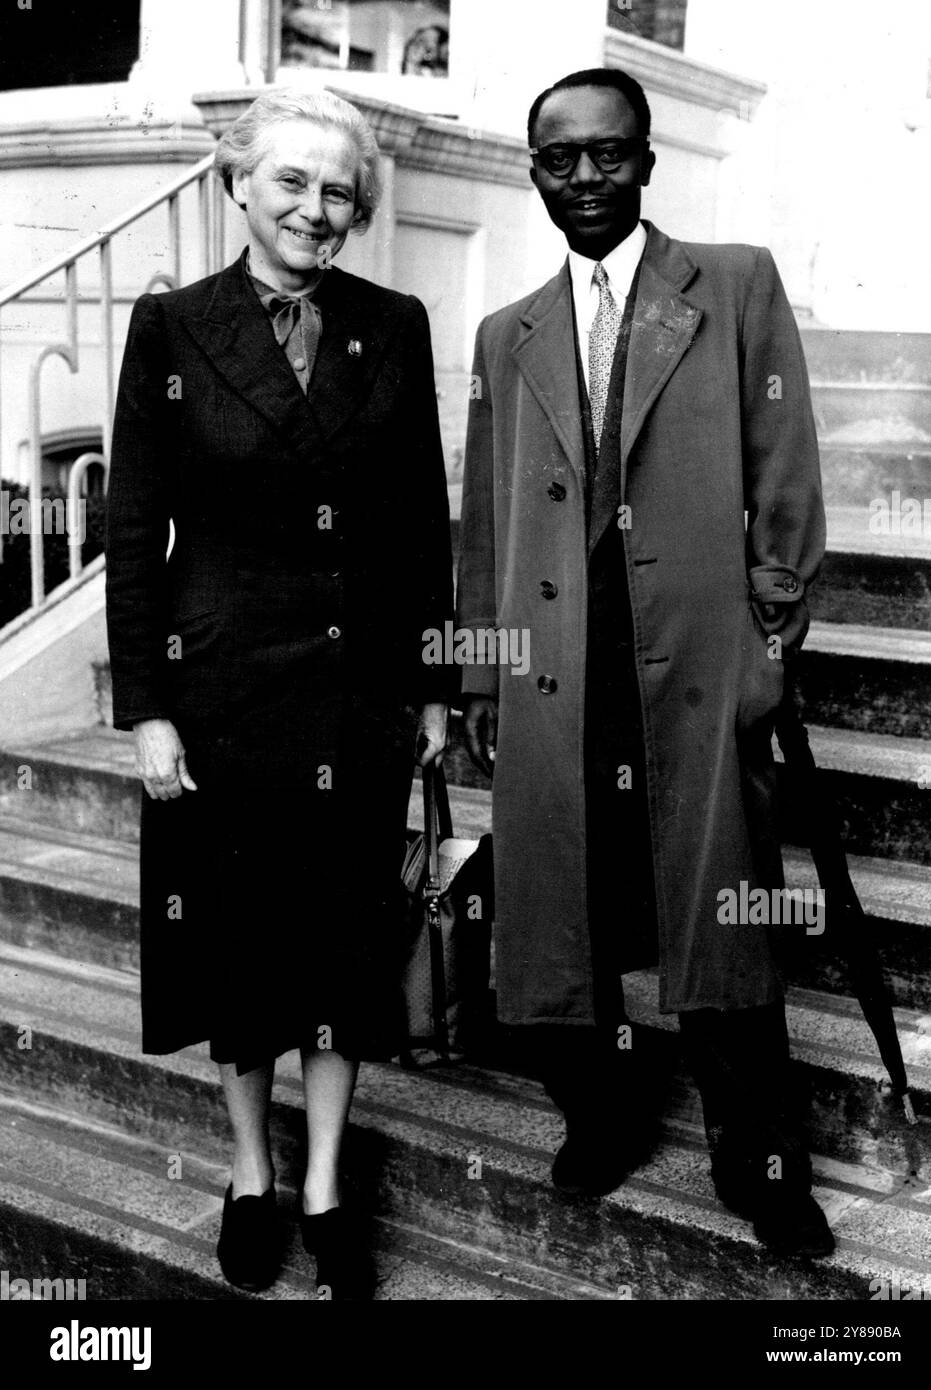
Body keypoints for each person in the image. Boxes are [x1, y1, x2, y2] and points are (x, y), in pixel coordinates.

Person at [455, 68, 833, 1258]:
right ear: (533, 173)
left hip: (697, 663)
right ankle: (602, 1114)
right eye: (559, 160)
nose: (584, 180)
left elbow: (786, 473)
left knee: (721, 905)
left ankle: (762, 1157)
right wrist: (480, 675)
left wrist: (770, 636)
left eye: (608, 155)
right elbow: (486, 527)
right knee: (570, 911)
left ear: (648, 159)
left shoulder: (731, 285)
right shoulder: (506, 330)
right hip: (559, 671)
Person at [105, 87, 454, 1297]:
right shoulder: (171, 329)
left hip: (356, 697)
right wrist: (148, 706)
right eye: (293, 183)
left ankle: (325, 1183)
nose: (318, 208)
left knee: (347, 949)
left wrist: (434, 690)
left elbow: (419, 525)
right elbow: (136, 523)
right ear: (236, 186)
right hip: (223, 701)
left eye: (341, 189)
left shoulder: (394, 322)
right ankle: (252, 1174)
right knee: (242, 952)